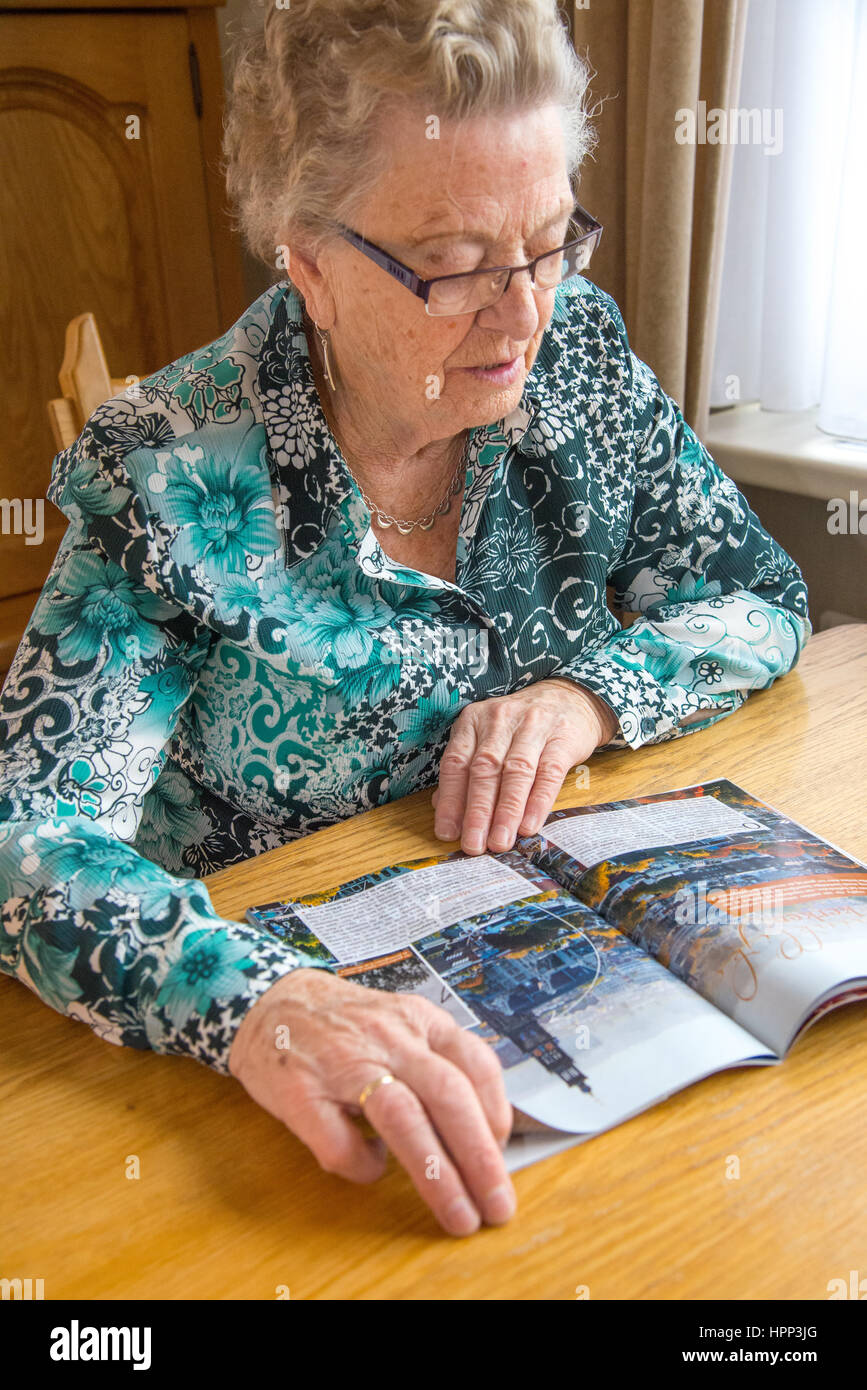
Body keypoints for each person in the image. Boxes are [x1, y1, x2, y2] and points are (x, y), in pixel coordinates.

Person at [0, 0, 810, 1238]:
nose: (523, 312)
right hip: (299, 1115)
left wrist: (586, 696)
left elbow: (759, 592)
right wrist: (265, 1004)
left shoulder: (577, 353)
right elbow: (28, 839)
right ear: (307, 259)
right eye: (454, 260)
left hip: (579, 1022)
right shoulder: (170, 470)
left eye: (550, 241)